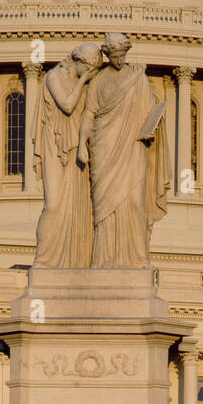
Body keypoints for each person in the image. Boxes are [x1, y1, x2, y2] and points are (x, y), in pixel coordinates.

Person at [77, 32, 170, 268]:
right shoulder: (98, 81)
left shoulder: (138, 78)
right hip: (104, 148)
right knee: (104, 208)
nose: (119, 60)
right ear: (107, 55)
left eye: (122, 55)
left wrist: (153, 127)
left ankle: (138, 257)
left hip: (134, 147)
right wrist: (80, 145)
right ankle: (104, 259)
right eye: (114, 56)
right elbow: (89, 114)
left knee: (135, 202)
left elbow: (149, 112)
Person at [32, 44, 102, 267]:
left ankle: (74, 262)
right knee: (53, 205)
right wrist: (84, 80)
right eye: (90, 69)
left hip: (77, 149)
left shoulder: (87, 83)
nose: (92, 74)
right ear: (80, 62)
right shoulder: (54, 76)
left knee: (77, 209)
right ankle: (43, 261)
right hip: (55, 142)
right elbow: (68, 105)